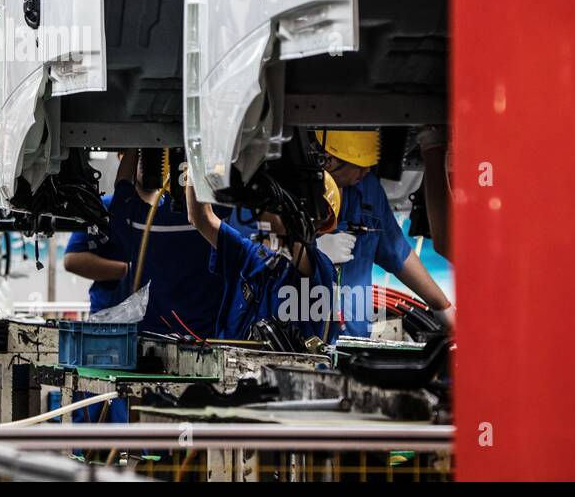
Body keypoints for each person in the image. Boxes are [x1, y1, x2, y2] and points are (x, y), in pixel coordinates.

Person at [65, 149, 222, 338]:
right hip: (196, 331)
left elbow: (122, 184)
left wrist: (134, 144)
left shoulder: (133, 217)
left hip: (153, 332)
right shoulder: (209, 220)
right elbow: (72, 259)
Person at [315, 129, 455, 337]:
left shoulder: (367, 188)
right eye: (359, 165)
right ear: (329, 160)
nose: (367, 171)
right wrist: (313, 251)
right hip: (297, 334)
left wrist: (442, 307)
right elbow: (265, 252)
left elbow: (397, 251)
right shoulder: (295, 188)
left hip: (353, 338)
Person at [184, 167, 337, 343]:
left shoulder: (319, 268)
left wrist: (260, 175)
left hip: (284, 362)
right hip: (227, 360)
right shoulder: (248, 255)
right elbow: (200, 218)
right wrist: (196, 163)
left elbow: (280, 234)